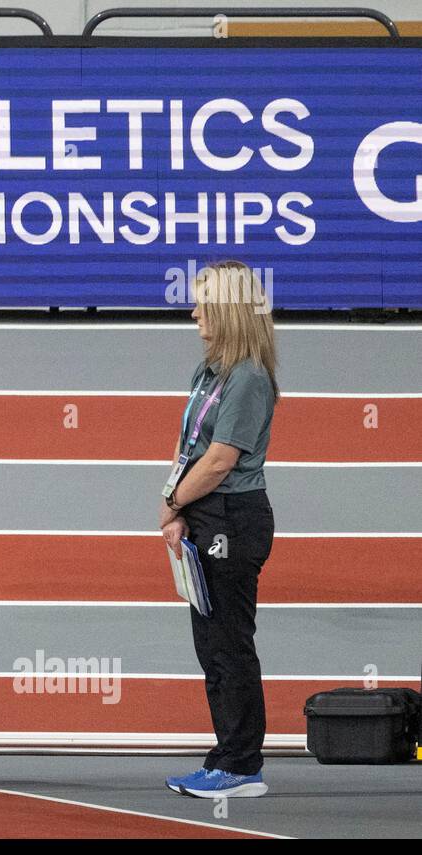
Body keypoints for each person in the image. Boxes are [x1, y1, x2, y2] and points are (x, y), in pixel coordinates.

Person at [160, 260, 279, 800]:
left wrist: (171, 500)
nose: (193, 311)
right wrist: (180, 507)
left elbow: (220, 460)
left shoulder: (249, 377)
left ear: (229, 311)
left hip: (231, 516)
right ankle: (228, 757)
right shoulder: (210, 372)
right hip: (207, 513)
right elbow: (192, 449)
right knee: (213, 646)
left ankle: (240, 764)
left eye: (203, 301)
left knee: (229, 645)